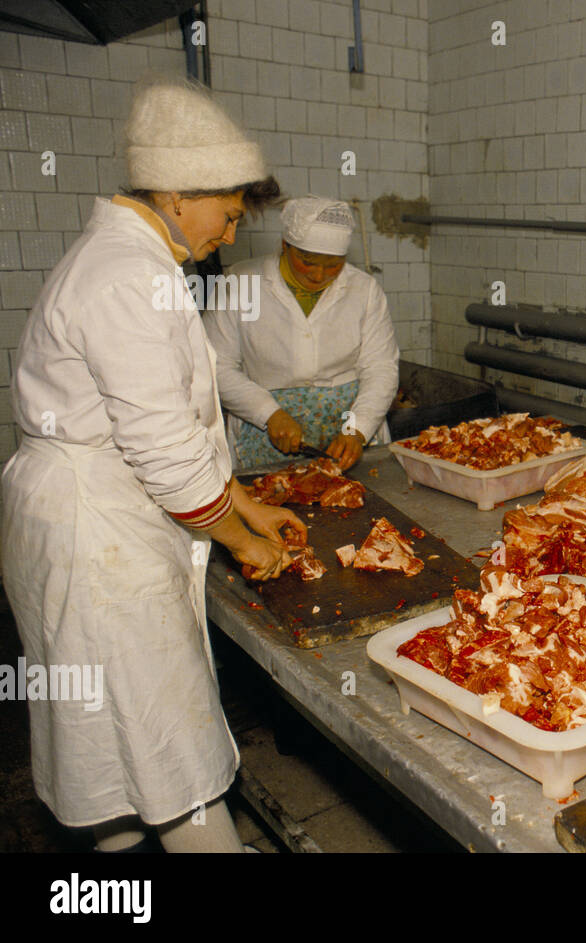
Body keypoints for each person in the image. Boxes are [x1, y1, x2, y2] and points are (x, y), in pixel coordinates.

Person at [1, 76, 305, 853]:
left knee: (113, 740)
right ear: (176, 193)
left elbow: (173, 417)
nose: (232, 234)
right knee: (174, 746)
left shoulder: (138, 262)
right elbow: (164, 452)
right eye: (229, 214)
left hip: (89, 514)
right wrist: (244, 542)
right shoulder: (129, 276)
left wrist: (240, 499)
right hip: (96, 535)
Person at [205, 196, 400, 471]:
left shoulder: (364, 289)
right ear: (285, 246)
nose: (320, 275)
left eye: (333, 264)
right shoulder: (239, 283)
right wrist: (268, 413)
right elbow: (217, 364)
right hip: (262, 434)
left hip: (347, 433)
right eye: (307, 261)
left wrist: (358, 428)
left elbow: (381, 366)